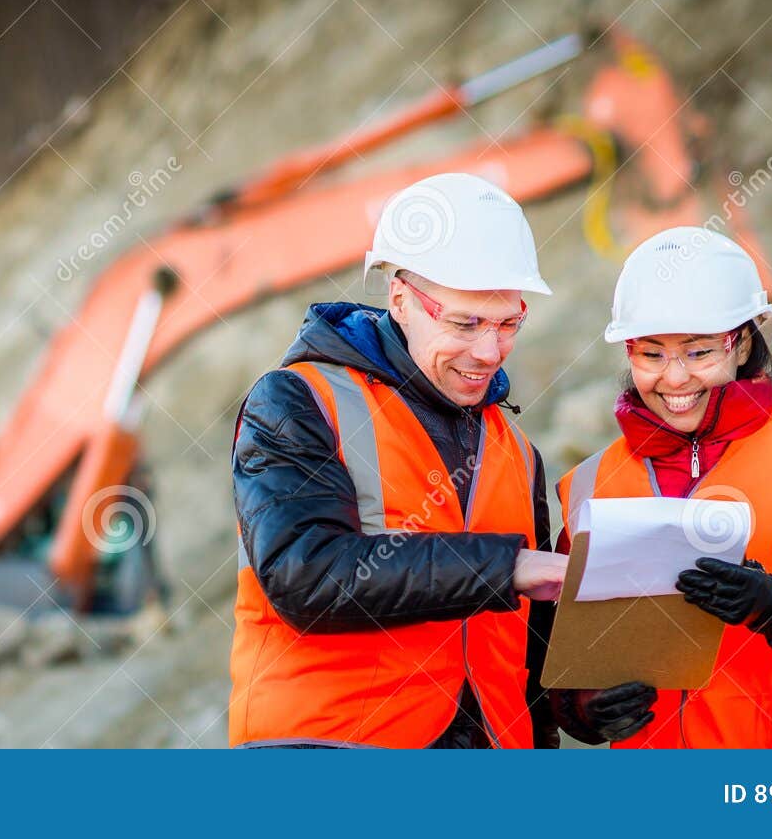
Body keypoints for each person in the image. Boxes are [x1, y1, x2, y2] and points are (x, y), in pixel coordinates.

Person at [228, 172, 568, 748]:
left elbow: (528, 656)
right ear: (401, 299)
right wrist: (504, 567)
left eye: (509, 323)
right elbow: (305, 576)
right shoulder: (299, 400)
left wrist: (584, 705)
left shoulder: (516, 454)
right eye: (465, 323)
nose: (489, 352)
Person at [550, 227, 772, 748]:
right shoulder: (589, 487)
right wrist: (586, 707)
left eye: (699, 351)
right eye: (651, 354)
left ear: (744, 342)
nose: (676, 378)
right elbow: (562, 654)